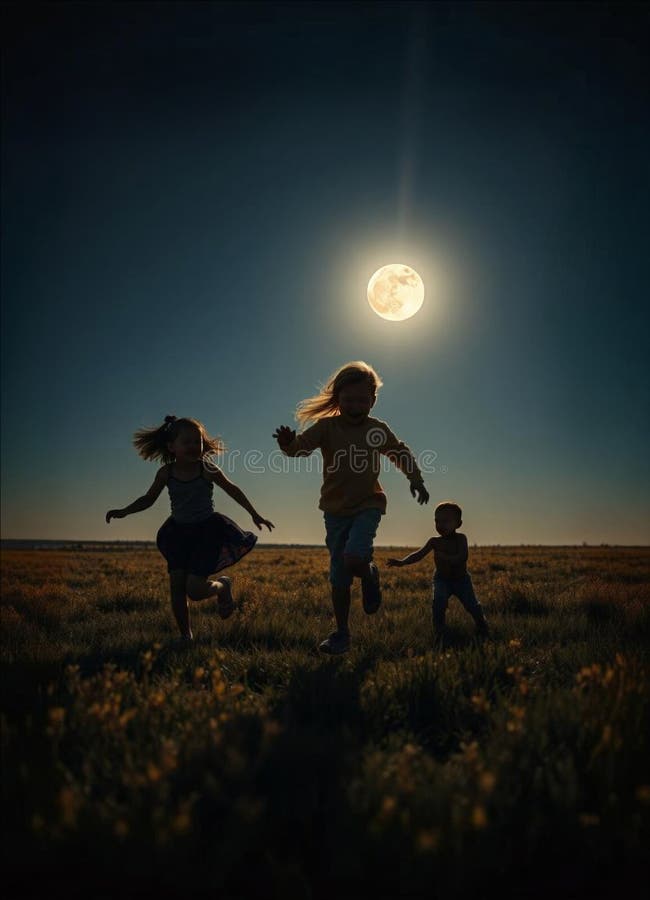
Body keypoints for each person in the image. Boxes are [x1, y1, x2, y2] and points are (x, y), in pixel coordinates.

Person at [273, 361, 429, 655]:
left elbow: (399, 453)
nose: (356, 406)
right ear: (337, 400)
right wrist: (287, 444)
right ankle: (342, 633)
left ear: (372, 400)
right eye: (348, 400)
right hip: (334, 511)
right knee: (339, 577)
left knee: (354, 557)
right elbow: (301, 449)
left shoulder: (376, 429)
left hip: (368, 504)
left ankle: (370, 575)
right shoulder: (327, 427)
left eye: (362, 400)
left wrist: (416, 479)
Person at [106, 415, 274, 640]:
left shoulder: (207, 470)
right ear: (171, 446)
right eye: (187, 442)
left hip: (207, 532)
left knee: (194, 591)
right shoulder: (166, 473)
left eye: (198, 441)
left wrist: (254, 514)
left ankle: (223, 587)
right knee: (176, 588)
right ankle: (186, 636)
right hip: (178, 534)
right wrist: (124, 511)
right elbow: (148, 499)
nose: (194, 446)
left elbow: (232, 489)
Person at [387, 500, 489, 645]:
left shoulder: (461, 538)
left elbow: (462, 557)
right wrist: (402, 562)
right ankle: (439, 629)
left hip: (461, 580)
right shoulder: (434, 541)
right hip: (442, 579)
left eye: (446, 521)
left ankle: (482, 625)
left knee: (472, 605)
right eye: (437, 521)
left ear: (458, 524)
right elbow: (419, 554)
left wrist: (446, 558)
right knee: (438, 602)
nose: (440, 525)